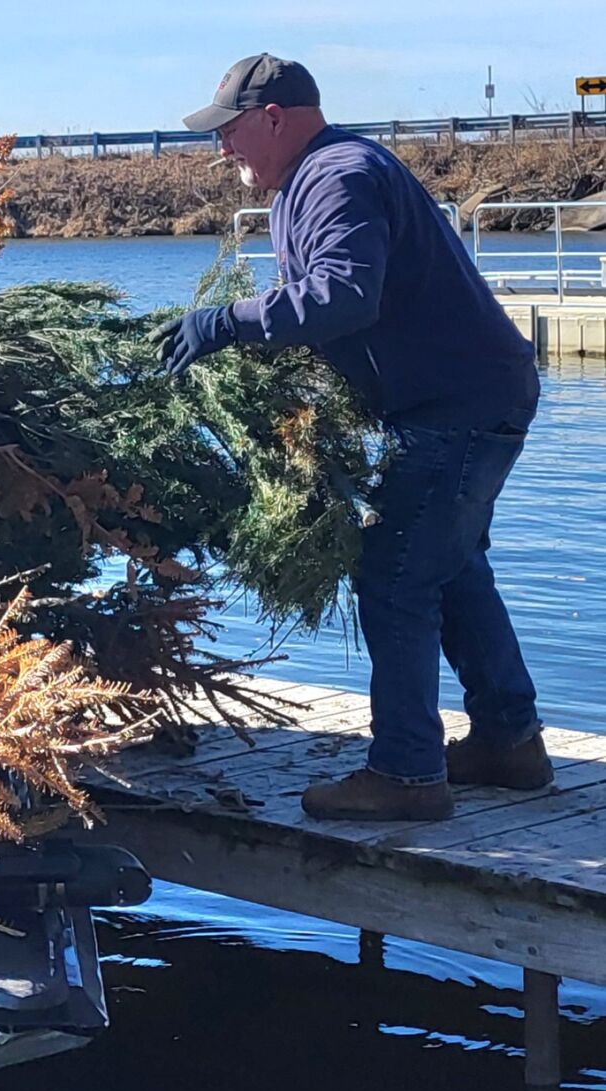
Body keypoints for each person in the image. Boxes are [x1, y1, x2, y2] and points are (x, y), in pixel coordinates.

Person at [153, 53, 549, 821]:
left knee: (395, 573)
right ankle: (509, 741)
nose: (223, 151)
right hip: (472, 396)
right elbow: (335, 301)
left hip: (456, 405)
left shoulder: (337, 175)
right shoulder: (315, 179)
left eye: (230, 132)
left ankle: (406, 773)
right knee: (453, 566)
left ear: (274, 118)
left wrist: (225, 322)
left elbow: (340, 294)